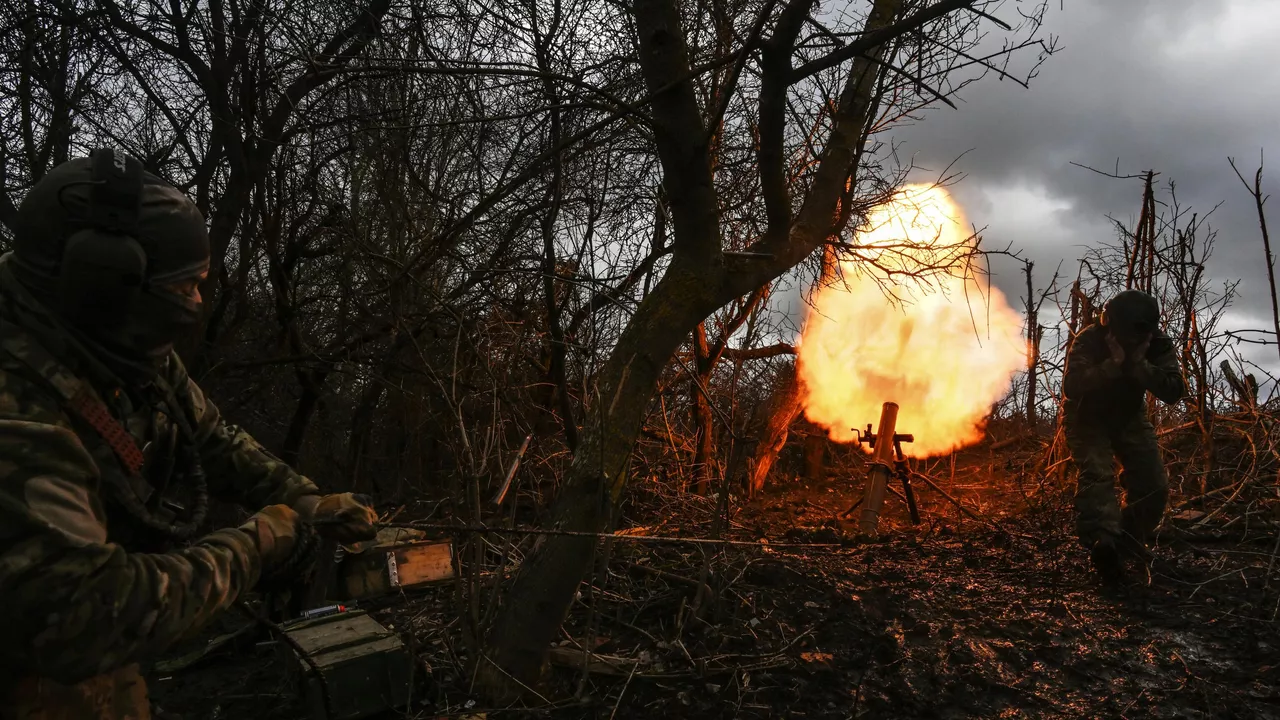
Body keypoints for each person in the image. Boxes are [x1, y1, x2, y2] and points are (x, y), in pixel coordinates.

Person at [0, 150, 379, 719]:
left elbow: (212, 439)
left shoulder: (113, 343)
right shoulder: (16, 411)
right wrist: (257, 546)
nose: (198, 304)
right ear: (105, 287)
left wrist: (307, 500)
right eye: (185, 288)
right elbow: (88, 618)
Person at [1063, 289, 1185, 585]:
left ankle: (1127, 539)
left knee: (1154, 486)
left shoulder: (1156, 343)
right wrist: (1113, 366)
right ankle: (1102, 545)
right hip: (1086, 419)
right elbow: (1072, 385)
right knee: (1097, 475)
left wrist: (1140, 365)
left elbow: (1174, 390)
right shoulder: (1090, 339)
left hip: (1129, 418)